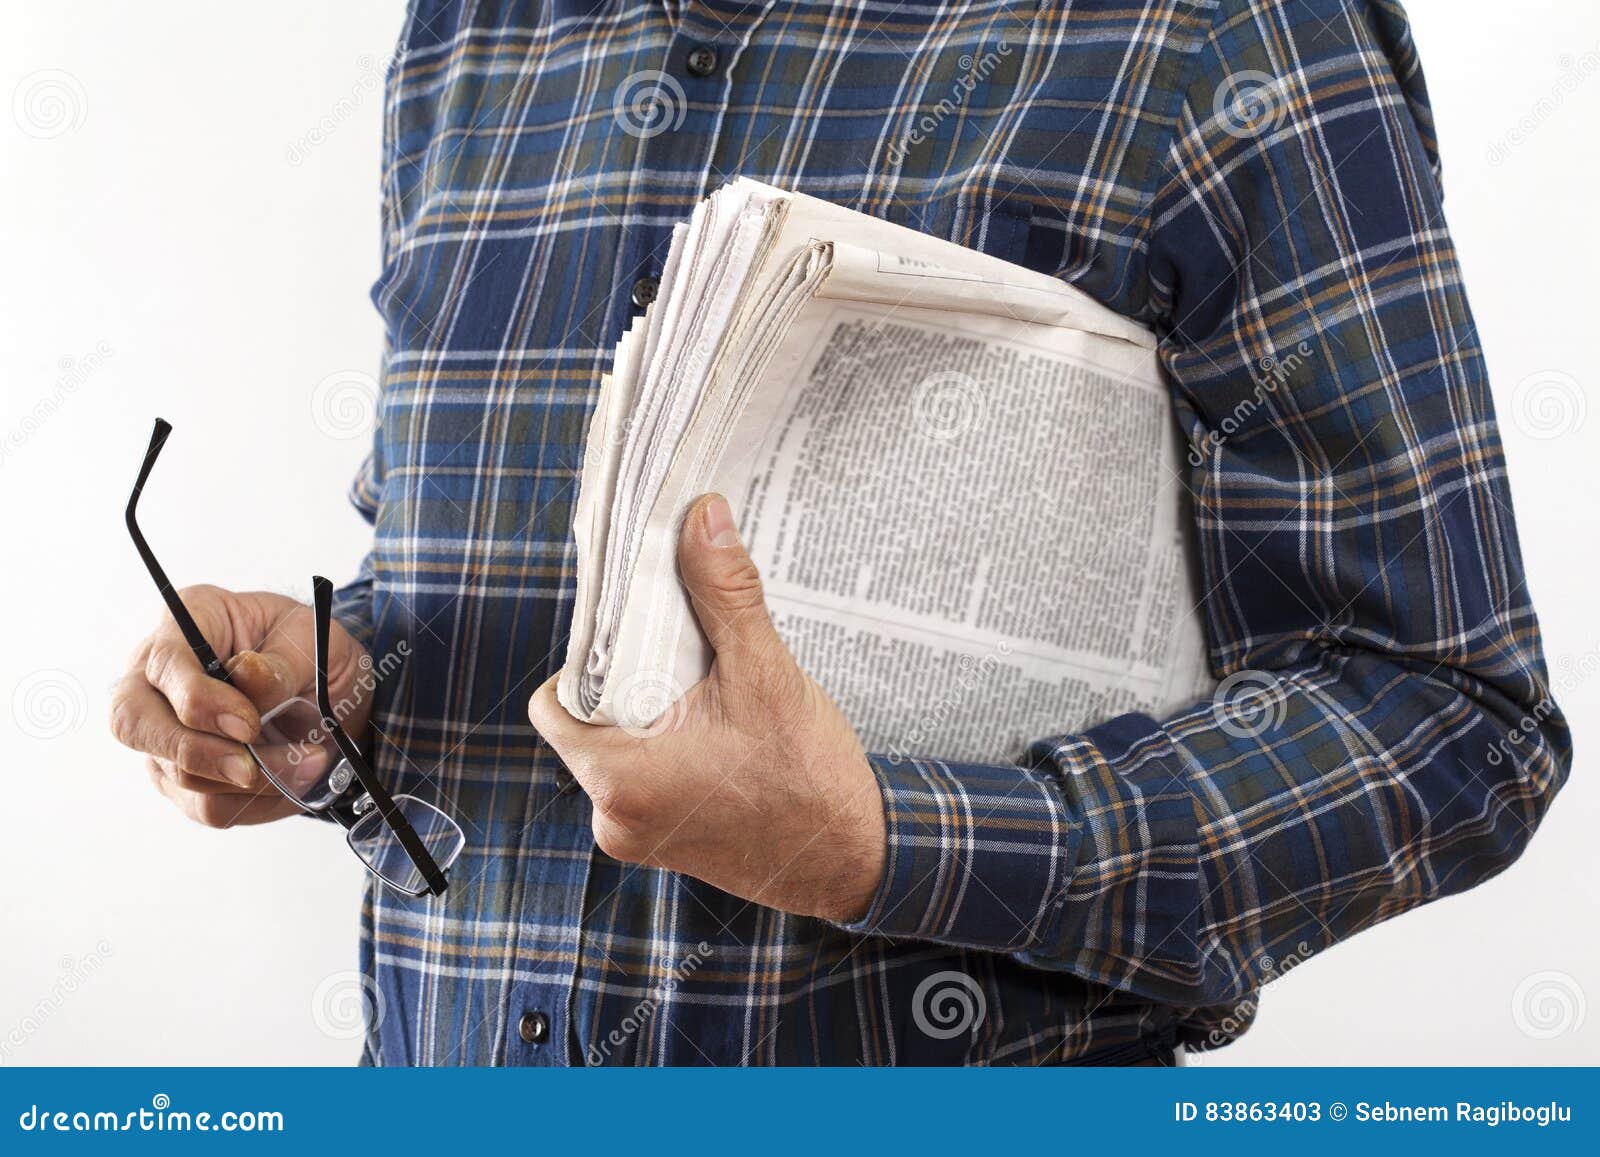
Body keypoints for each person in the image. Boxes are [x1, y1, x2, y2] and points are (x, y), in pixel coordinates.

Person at [109, 0, 1570, 1065]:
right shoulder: (471, 34)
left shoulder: (1211, 31)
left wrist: (885, 843)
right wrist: (344, 678)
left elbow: (1452, 717)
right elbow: (524, 595)